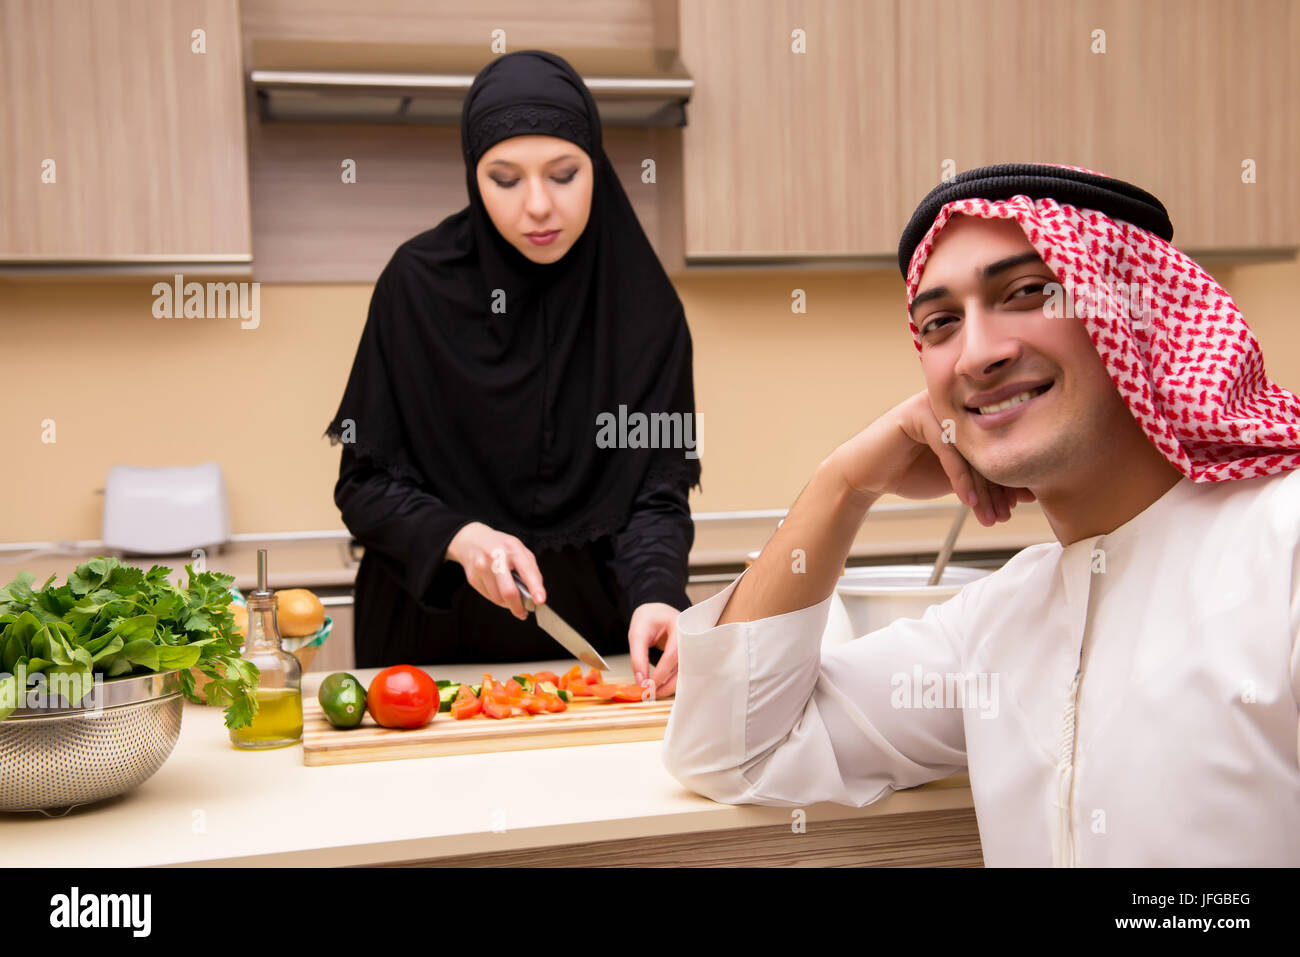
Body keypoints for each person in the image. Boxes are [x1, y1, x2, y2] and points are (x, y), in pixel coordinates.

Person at [661, 163, 1300, 866]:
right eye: (940, 323)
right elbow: (731, 749)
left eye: (1027, 292)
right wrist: (844, 482)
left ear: (1133, 310)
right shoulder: (995, 624)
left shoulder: (1283, 546)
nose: (979, 354)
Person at [324, 50, 700, 688]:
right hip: (423, 655)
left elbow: (654, 497)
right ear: (473, 177)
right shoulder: (414, 288)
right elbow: (364, 485)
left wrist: (658, 595)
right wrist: (464, 538)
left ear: (597, 166)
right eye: (504, 179)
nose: (538, 207)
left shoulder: (645, 309)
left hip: (594, 654)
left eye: (563, 174)